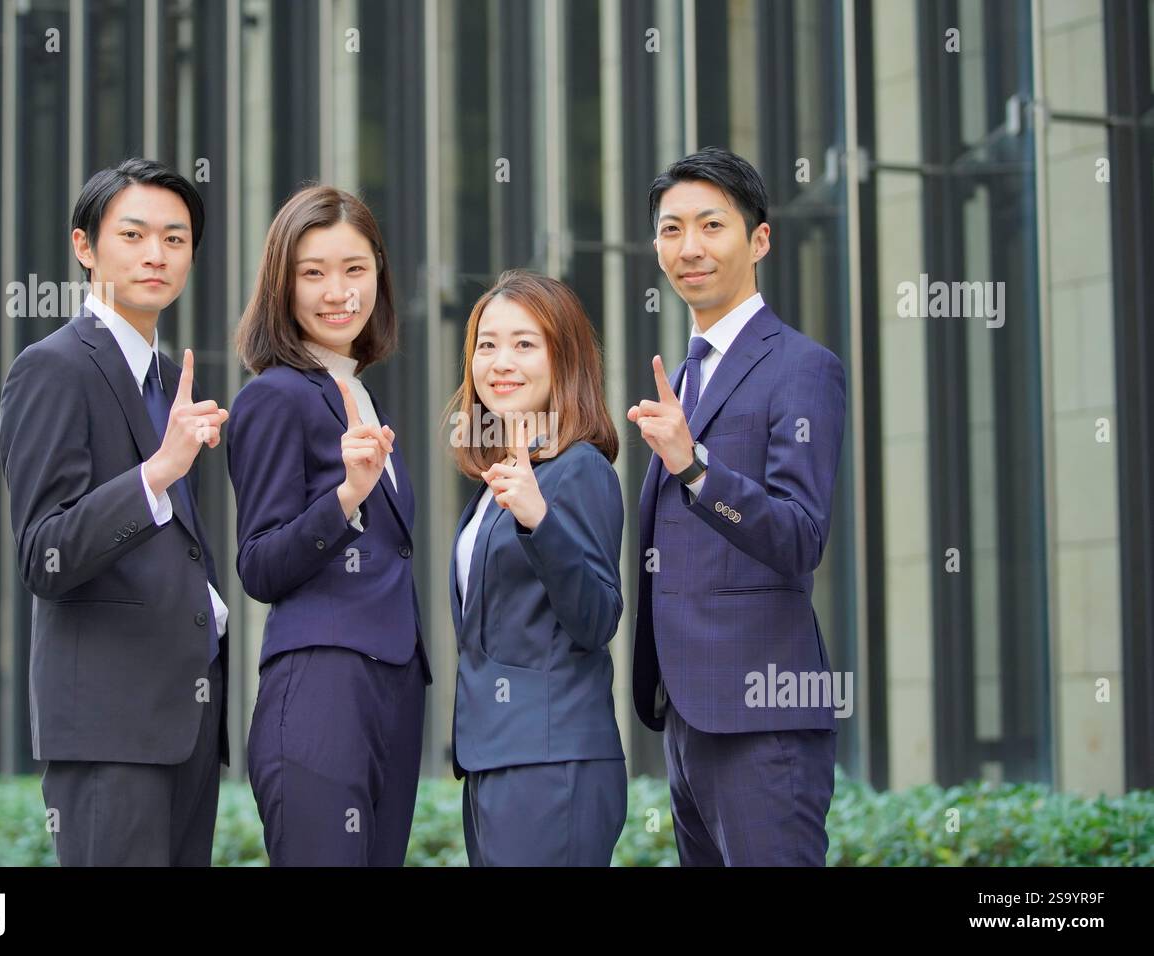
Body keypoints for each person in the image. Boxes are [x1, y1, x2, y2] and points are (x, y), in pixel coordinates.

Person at [0, 158, 230, 866]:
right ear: (84, 246)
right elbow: (45, 552)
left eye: (175, 238)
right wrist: (158, 471)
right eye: (133, 234)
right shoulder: (54, 367)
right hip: (109, 729)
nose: (156, 254)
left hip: (186, 720)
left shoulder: (166, 381)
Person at [628, 147, 847, 866]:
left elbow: (800, 536)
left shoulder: (801, 367)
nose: (688, 247)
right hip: (691, 720)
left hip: (764, 717)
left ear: (759, 239)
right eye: (670, 229)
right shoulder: (686, 375)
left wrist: (695, 467)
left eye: (711, 225)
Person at [227, 185, 430, 866]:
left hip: (390, 692)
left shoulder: (359, 391)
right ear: (282, 285)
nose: (337, 291)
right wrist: (345, 498)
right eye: (312, 272)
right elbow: (258, 564)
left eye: (355, 269)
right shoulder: (275, 396)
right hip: (321, 693)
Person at [446, 270, 626, 866]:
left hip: (552, 764)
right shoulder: (504, 478)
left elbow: (598, 616)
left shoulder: (580, 470)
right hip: (494, 760)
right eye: (487, 344)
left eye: (525, 344)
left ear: (562, 359)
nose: (502, 361)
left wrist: (537, 520)